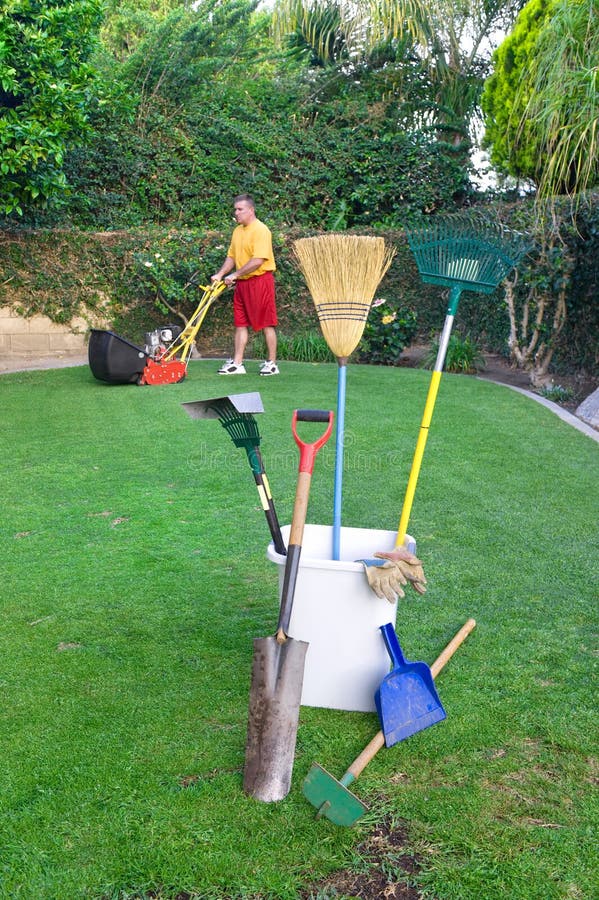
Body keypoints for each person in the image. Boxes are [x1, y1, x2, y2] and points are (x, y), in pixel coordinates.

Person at [211, 194, 279, 376]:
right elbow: (232, 257)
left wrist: (235, 274)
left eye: (240, 209)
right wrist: (220, 274)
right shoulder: (237, 231)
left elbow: (258, 260)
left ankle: (272, 363)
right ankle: (237, 363)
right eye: (235, 209)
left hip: (260, 281)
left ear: (251, 210)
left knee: (266, 323)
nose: (236, 213)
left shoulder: (261, 230)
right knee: (240, 323)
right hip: (242, 284)